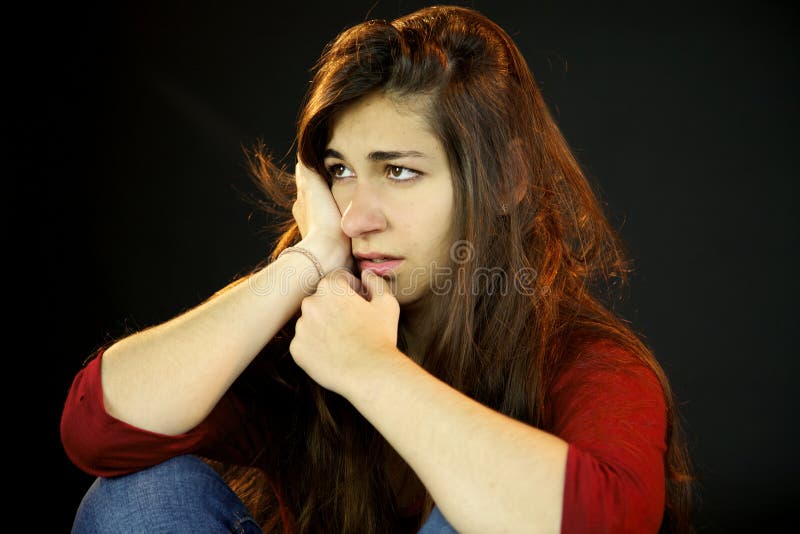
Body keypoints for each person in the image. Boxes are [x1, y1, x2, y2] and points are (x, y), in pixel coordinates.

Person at [61, 5, 694, 533]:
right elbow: (98, 432)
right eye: (340, 171)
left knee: (476, 510)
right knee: (134, 498)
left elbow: (603, 522)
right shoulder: (303, 344)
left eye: (399, 171)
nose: (357, 215)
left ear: (506, 181)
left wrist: (368, 369)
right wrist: (305, 262)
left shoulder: (589, 363)